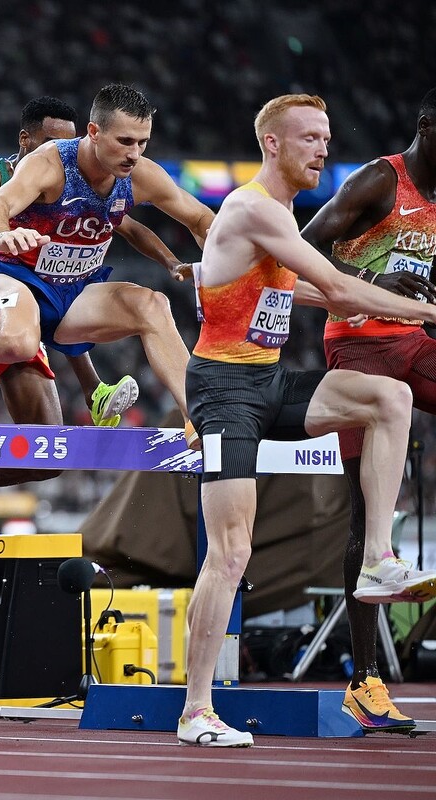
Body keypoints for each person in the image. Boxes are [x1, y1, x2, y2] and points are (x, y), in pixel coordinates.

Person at [180, 94, 436, 748]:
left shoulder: (281, 215)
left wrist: (373, 300)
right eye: (309, 138)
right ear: (272, 143)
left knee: (389, 399)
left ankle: (377, 559)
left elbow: (301, 288)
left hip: (269, 380)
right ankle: (197, 710)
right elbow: (342, 289)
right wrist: (421, 311)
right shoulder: (255, 208)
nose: (322, 148)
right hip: (224, 390)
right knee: (231, 552)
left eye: (325, 137)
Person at [0, 94, 196, 545]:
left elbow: (128, 225)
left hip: (48, 292)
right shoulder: (0, 177)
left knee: (48, 456)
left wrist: (173, 261)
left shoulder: (93, 175)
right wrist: (2, 230)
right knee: (23, 331)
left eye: (68, 142)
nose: (61, 151)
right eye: (50, 142)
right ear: (26, 140)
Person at [298, 87, 436, 733]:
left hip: (415, 341)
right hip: (357, 347)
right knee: (366, 512)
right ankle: (365, 680)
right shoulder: (380, 181)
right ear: (427, 127)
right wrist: (372, 283)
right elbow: (298, 251)